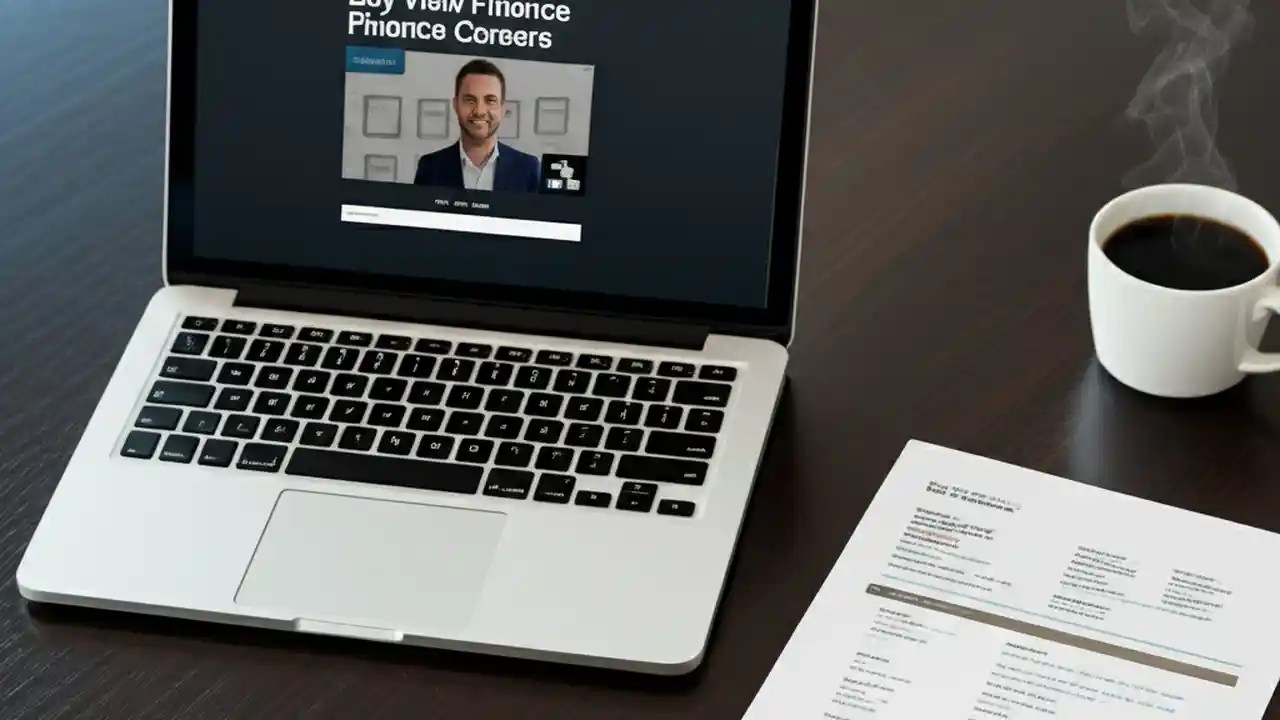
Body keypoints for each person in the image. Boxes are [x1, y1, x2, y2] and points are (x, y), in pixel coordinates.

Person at [414, 59, 541, 193]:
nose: (479, 111)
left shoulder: (528, 169)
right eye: (470, 100)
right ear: (455, 105)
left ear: (503, 108)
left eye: (490, 100)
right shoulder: (429, 168)